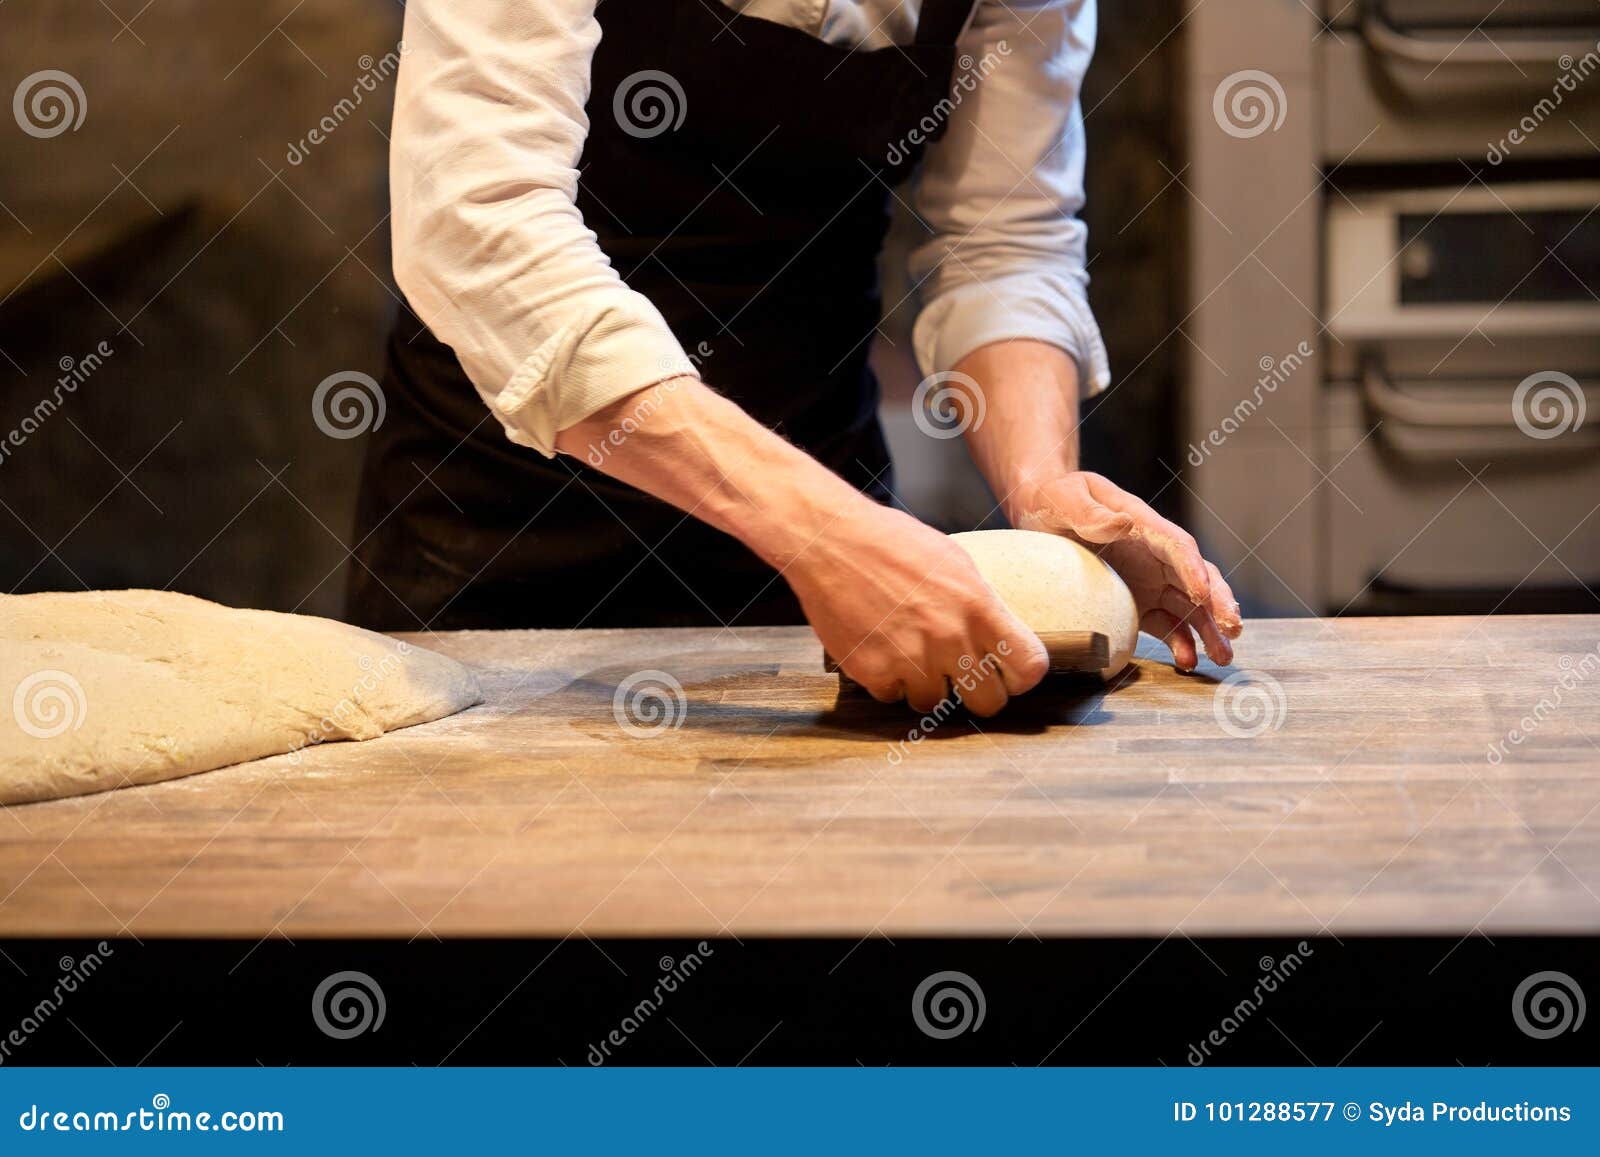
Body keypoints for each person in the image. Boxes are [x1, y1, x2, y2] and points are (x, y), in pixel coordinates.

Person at [348, 0, 1242, 716]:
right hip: (500, 534)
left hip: (825, 561)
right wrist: (819, 530)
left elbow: (1002, 240)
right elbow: (478, 230)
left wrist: (1040, 485)